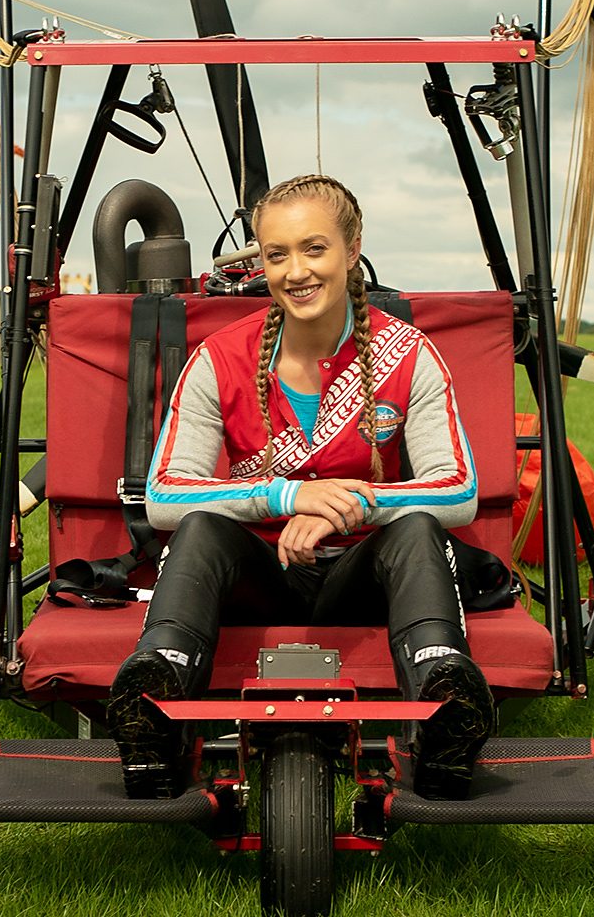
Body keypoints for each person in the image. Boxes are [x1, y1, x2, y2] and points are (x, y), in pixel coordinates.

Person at [106, 173, 496, 801]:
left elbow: (456, 492)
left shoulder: (409, 354)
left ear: (352, 248)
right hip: (255, 576)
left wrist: (342, 506)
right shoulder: (219, 358)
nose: (295, 271)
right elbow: (165, 497)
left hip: (363, 581)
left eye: (314, 249)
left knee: (419, 525)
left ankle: (446, 712)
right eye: (276, 254)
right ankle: (152, 711)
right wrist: (287, 496)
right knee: (202, 525)